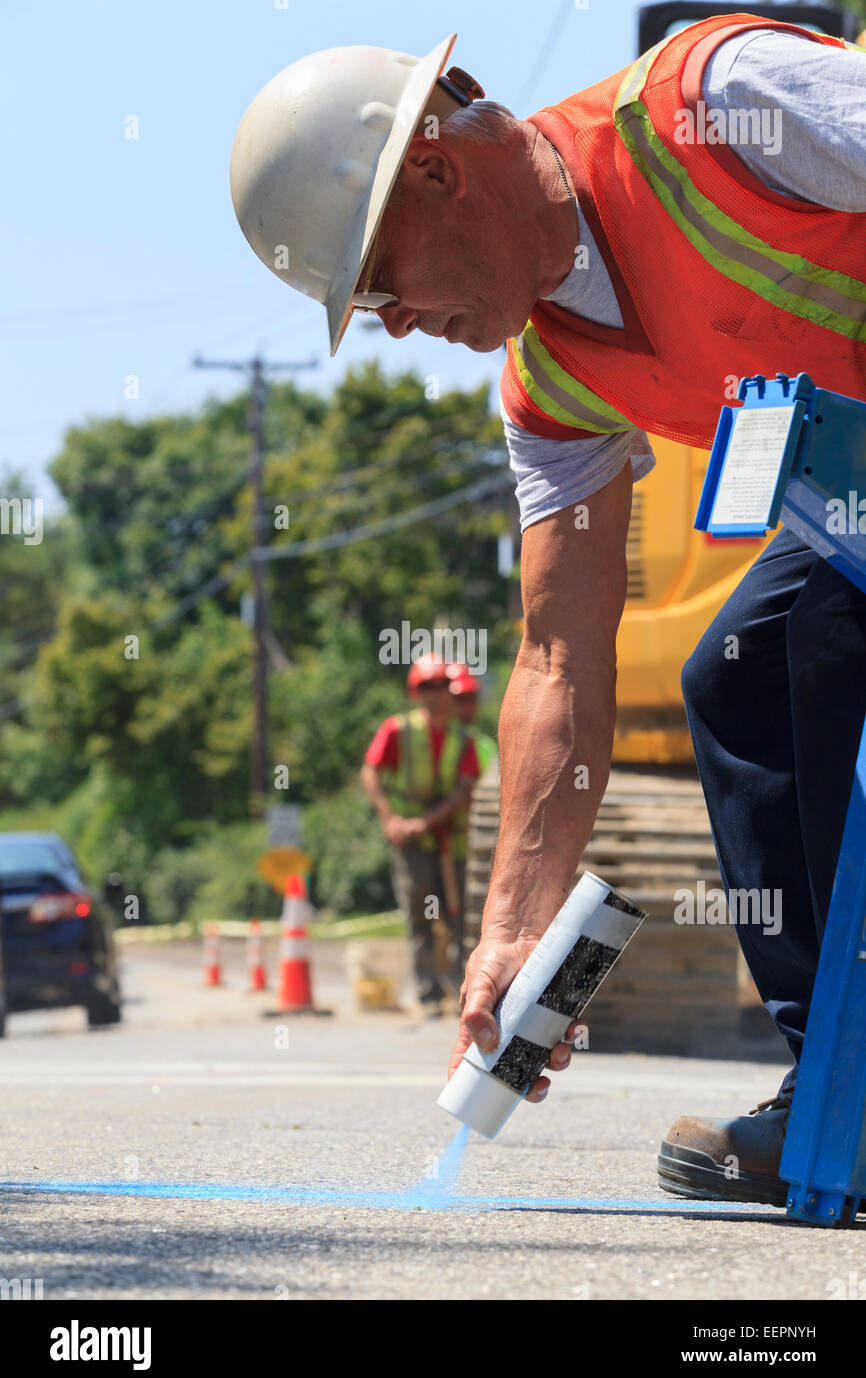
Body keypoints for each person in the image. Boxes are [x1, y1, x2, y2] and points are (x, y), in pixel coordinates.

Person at [231, 17, 866, 1203]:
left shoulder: (717, 104)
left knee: (834, 643)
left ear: (434, 167)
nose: (397, 326)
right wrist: (510, 935)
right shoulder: (550, 389)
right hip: (858, 510)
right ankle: (839, 1085)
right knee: (732, 677)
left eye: (379, 284)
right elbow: (556, 660)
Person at [361, 657, 479, 1015]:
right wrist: (391, 819)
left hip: (451, 842)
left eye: (441, 687)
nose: (435, 695)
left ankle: (463, 993)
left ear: (450, 692)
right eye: (427, 687)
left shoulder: (463, 739)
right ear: (416, 692)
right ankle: (428, 993)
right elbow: (371, 773)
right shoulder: (398, 730)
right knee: (419, 916)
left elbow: (464, 790)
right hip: (411, 842)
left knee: (458, 917)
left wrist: (426, 821)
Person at [446, 663, 497, 773]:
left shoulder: (485, 746)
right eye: (460, 699)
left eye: (472, 699)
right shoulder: (431, 737)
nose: (468, 706)